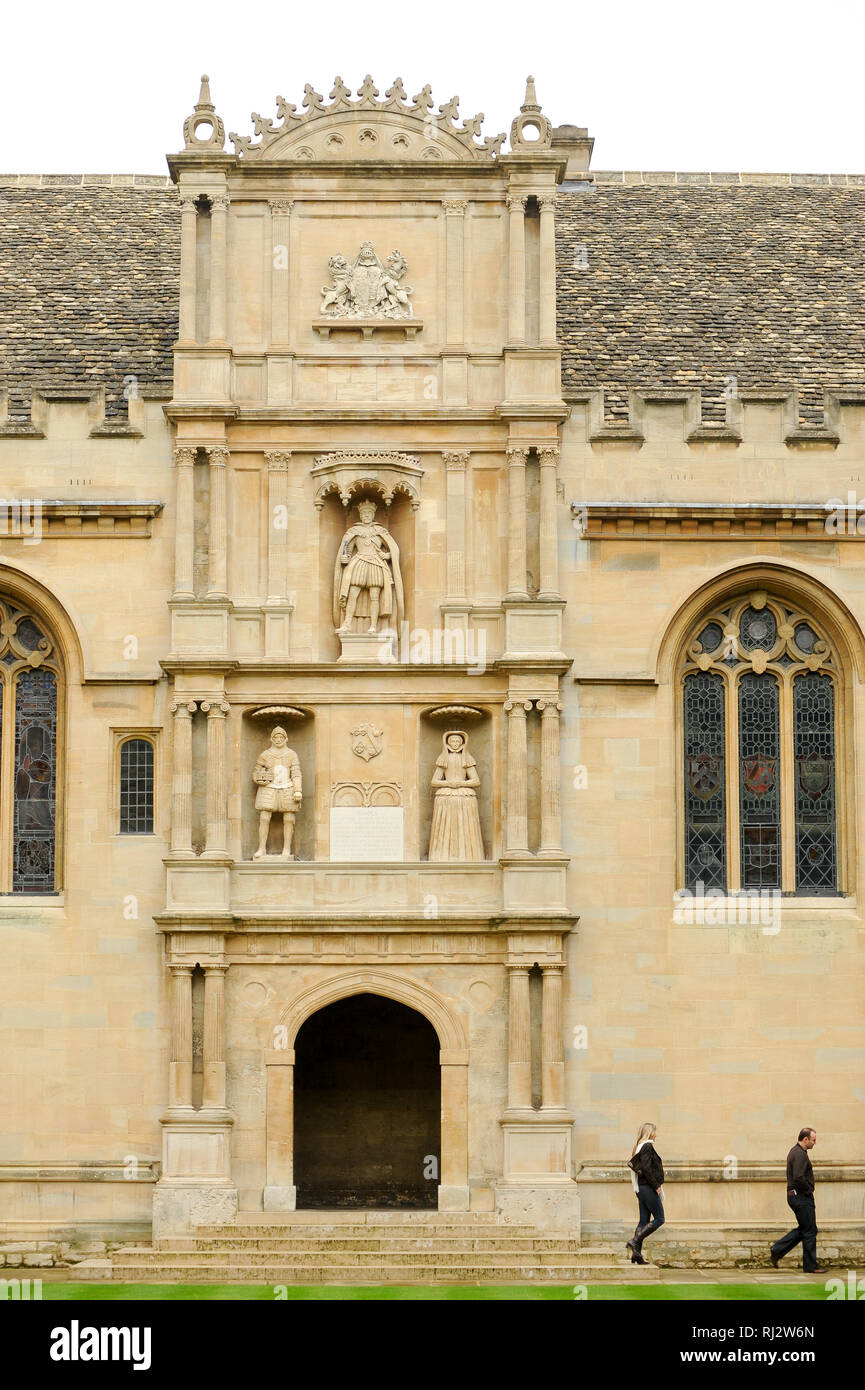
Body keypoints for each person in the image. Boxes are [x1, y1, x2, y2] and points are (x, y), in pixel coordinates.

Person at [770, 1128, 826, 1273]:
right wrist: (809, 1190)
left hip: (796, 1196)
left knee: (805, 1229)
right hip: (801, 1197)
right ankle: (810, 1266)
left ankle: (777, 1249)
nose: (815, 1143)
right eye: (813, 1140)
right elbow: (798, 1177)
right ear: (805, 1139)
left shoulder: (796, 1152)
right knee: (809, 1230)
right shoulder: (799, 1154)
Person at [428, 730, 484, 861]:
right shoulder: (443, 759)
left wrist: (459, 783)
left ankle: (469, 855)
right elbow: (434, 781)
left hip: (463, 794)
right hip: (446, 794)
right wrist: (448, 783)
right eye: (452, 741)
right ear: (447, 742)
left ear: (462, 743)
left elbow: (476, 781)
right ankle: (441, 855)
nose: (454, 743)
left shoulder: (466, 759)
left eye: (457, 741)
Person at [626, 1122, 666, 1265]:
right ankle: (634, 1241)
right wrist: (656, 1186)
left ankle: (636, 1255)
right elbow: (648, 1169)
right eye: (654, 1132)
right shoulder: (647, 1146)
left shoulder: (638, 1147)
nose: (656, 1135)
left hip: (640, 1189)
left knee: (643, 1221)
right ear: (650, 1133)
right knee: (660, 1218)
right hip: (648, 1188)